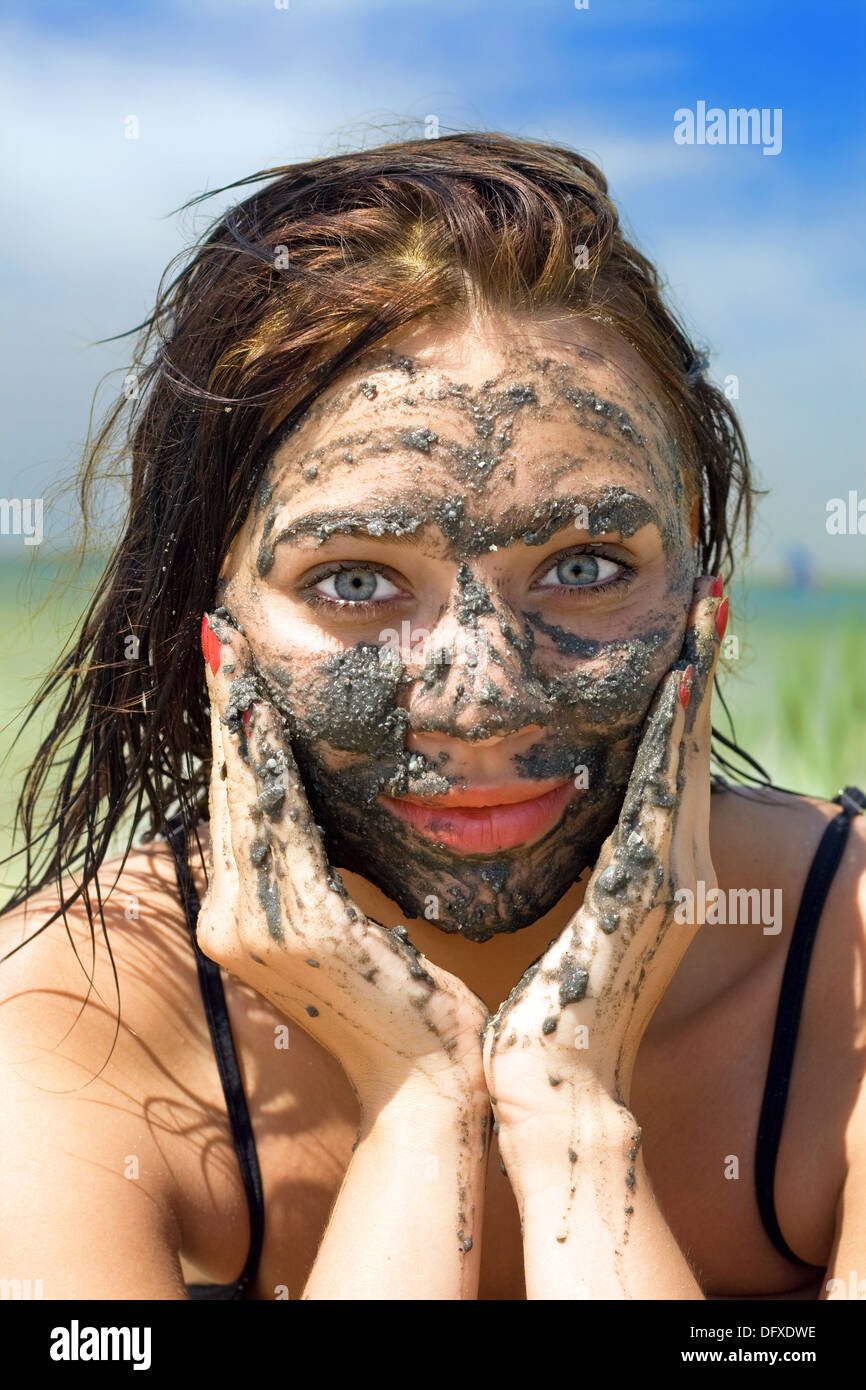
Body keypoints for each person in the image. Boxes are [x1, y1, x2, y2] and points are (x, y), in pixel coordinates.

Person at [1, 132, 863, 1301]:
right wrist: (417, 1105)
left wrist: (574, 1114)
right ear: (218, 628)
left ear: (703, 604)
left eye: (586, 563)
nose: (478, 700)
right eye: (353, 580)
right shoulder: (60, 1025)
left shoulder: (839, 973)